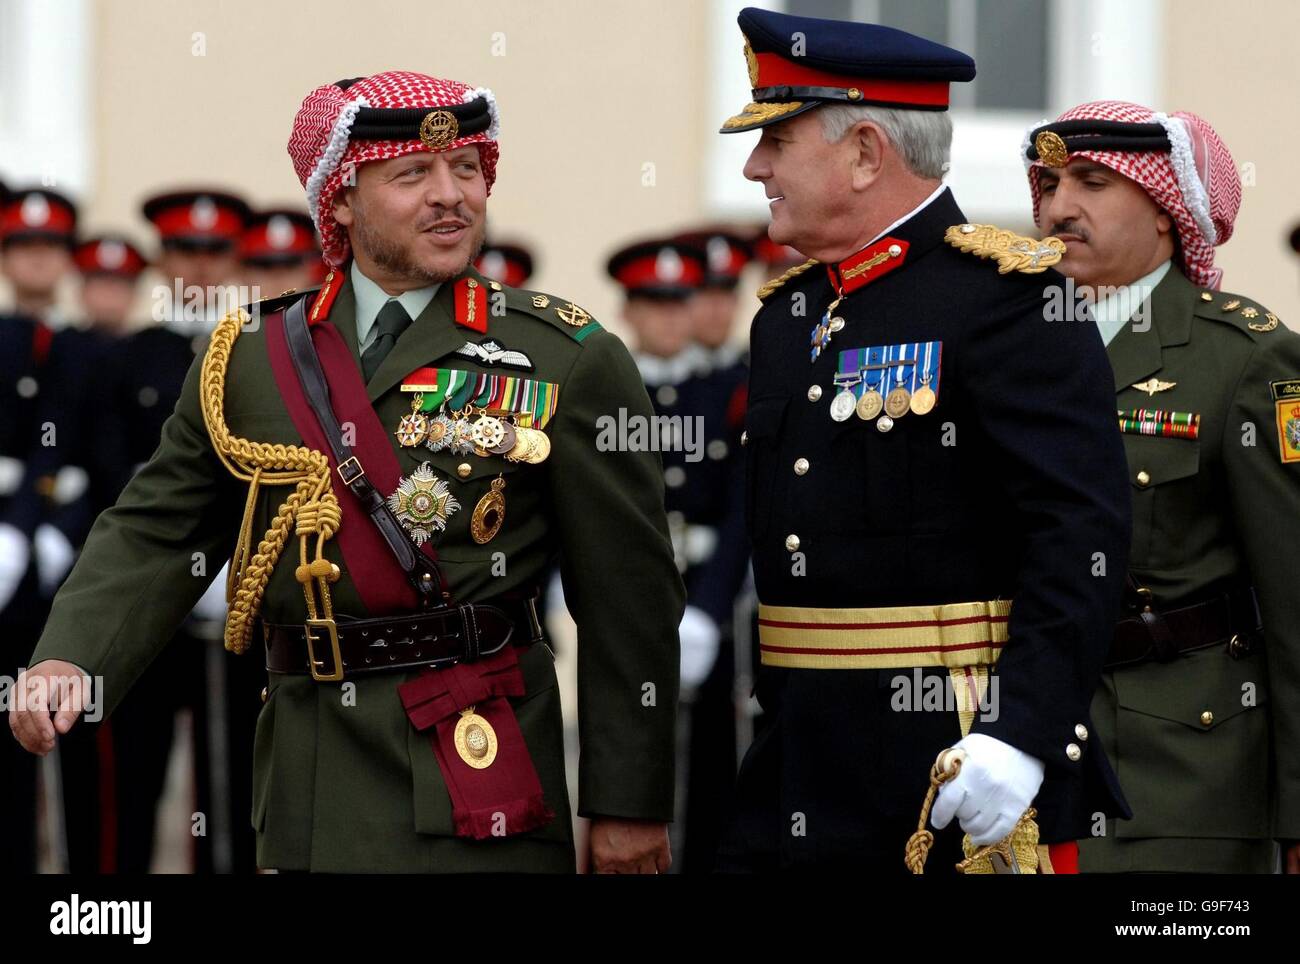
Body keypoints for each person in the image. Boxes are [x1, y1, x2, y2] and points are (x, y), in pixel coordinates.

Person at [11, 70, 683, 874]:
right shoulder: (250, 357)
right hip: (311, 779)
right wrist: (70, 656)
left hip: (476, 774)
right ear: (339, 199)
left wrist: (626, 803)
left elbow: (628, 597)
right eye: (413, 174)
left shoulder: (564, 357)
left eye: (467, 169)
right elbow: (157, 527)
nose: (452, 196)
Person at [713, 7, 1132, 873]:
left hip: (953, 757)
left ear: (867, 152)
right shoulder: (790, 315)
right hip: (796, 758)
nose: (755, 167)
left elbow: (1078, 536)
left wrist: (1020, 734)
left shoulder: (1010, 301)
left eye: (778, 142)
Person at [1026, 101, 1300, 874]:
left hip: (1181, 778)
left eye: (1091, 181)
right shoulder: (1019, 348)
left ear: (1166, 212)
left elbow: (1294, 602)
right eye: (1047, 183)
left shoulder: (1246, 358)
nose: (1057, 208)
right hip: (1019, 759)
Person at [0, 184, 77, 874]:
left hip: (58, 565)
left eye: (49, 246)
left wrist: (47, 525)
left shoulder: (82, 348)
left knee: (45, 737)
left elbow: (83, 453)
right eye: (22, 246)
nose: (35, 260)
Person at [238, 208, 325, 300]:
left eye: (291, 267)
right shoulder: (226, 312)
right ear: (244, 274)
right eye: (265, 267)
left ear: (312, 271)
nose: (277, 280)